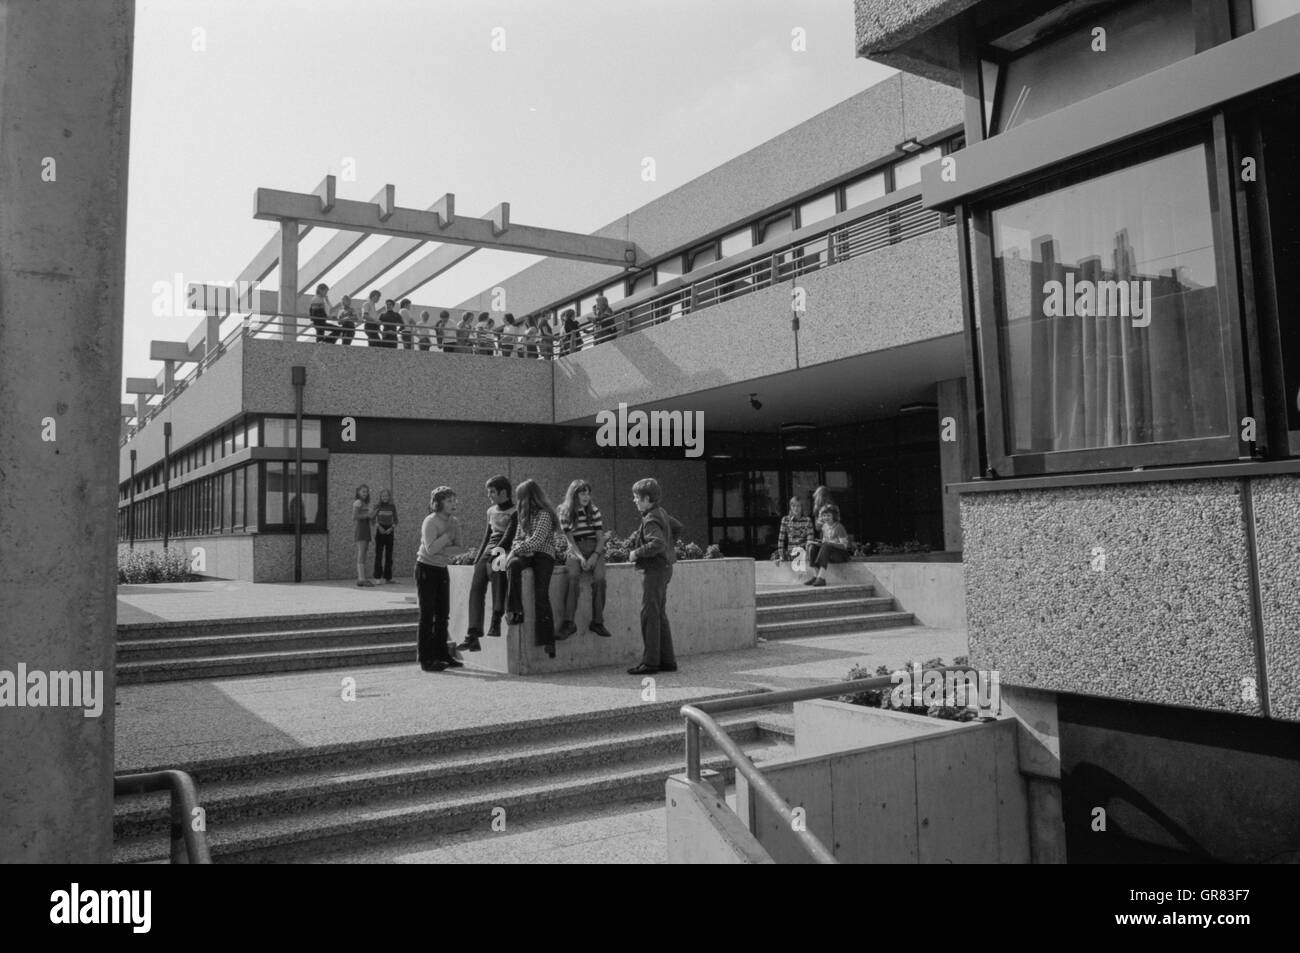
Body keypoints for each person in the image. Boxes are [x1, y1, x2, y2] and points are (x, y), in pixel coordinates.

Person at [626, 477, 682, 675]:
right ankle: (667, 661)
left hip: (654, 570)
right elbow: (677, 528)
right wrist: (669, 549)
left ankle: (650, 663)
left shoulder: (650, 518)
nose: (634, 501)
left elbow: (656, 543)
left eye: (636, 497)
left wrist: (636, 553)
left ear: (647, 499)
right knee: (659, 614)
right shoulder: (662, 512)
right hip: (664, 568)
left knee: (649, 615)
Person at [458, 475, 517, 653]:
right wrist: (478, 559)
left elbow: (508, 537)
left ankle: (496, 620)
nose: (489, 495)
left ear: (503, 492)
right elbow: (487, 535)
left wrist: (494, 554)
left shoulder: (516, 511)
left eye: (492, 492)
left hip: (504, 550)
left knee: (498, 574)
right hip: (488, 551)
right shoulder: (490, 511)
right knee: (476, 589)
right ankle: (473, 635)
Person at [504, 479, 560, 658]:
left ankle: (548, 642)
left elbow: (538, 540)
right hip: (527, 553)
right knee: (513, 565)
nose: (519, 501)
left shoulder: (544, 514)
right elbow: (517, 538)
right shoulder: (523, 515)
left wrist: (517, 550)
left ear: (529, 497)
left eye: (520, 497)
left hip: (544, 554)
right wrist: (519, 550)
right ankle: (515, 611)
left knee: (541, 594)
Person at [415, 486, 468, 671]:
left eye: (454, 500)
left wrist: (442, 548)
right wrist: (447, 537)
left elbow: (460, 548)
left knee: (443, 614)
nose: (453, 503)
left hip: (442, 569)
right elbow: (430, 550)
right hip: (425, 569)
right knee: (427, 615)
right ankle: (425, 659)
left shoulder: (455, 522)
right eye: (448, 500)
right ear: (438, 504)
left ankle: (442, 654)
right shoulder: (430, 521)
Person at [557, 480, 612, 640]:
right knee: (573, 577)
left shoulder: (594, 511)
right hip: (576, 549)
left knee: (600, 578)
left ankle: (597, 622)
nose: (587, 496)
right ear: (574, 495)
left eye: (588, 493)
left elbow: (600, 538)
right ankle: (569, 623)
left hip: (595, 547)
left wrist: (595, 556)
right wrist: (581, 558)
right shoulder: (564, 512)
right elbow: (570, 541)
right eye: (583, 493)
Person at [804, 503, 850, 587]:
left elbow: (844, 546)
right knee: (812, 547)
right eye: (824, 515)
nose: (826, 518)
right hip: (828, 551)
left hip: (841, 555)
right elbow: (824, 542)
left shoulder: (839, 527)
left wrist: (829, 543)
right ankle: (816, 575)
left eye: (828, 515)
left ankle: (821, 578)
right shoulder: (824, 526)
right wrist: (814, 543)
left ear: (834, 516)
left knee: (826, 546)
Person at [775, 496, 814, 564]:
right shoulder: (785, 520)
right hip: (791, 551)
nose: (796, 508)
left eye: (798, 506)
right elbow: (781, 539)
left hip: (803, 551)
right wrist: (781, 554)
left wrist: (808, 555)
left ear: (802, 507)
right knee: (775, 558)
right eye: (793, 506)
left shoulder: (807, 520)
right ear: (790, 507)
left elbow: (810, 540)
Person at [372, 488, 399, 584]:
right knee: (379, 554)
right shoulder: (377, 506)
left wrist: (391, 528)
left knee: (389, 555)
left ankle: (388, 577)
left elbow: (396, 520)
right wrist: (378, 526)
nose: (385, 498)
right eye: (383, 496)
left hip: (389, 531)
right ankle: (377, 577)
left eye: (386, 496)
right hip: (380, 530)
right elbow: (372, 519)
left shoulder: (392, 506)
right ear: (380, 497)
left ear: (389, 497)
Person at [353, 485, 377, 587]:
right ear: (358, 492)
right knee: (362, 553)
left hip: (366, 529)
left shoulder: (365, 503)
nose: (365, 493)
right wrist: (368, 515)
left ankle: (362, 578)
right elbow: (354, 516)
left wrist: (373, 514)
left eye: (366, 491)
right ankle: (361, 579)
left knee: (364, 553)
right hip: (361, 529)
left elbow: (368, 518)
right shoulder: (358, 502)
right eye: (363, 491)